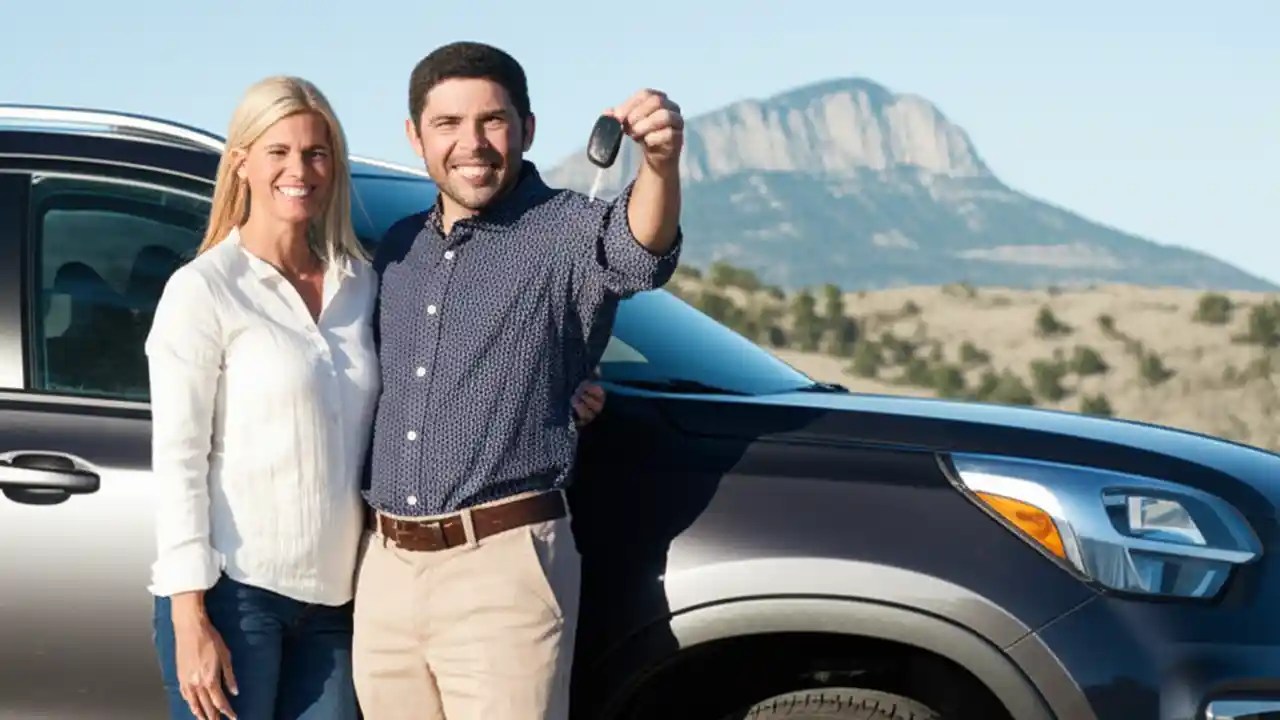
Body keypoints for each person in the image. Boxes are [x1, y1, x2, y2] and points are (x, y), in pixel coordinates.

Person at [144, 75, 607, 720]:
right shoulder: (205, 290)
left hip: (342, 600)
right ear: (241, 161)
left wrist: (561, 385)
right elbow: (179, 460)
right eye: (277, 151)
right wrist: (188, 612)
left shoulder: (364, 282)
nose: (298, 170)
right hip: (235, 596)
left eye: (316, 153)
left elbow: (442, 371)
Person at [351, 41, 683, 720]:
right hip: (383, 569)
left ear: (527, 128)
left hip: (500, 568)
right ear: (415, 136)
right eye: (447, 124)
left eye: (492, 121)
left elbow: (637, 252)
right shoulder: (397, 250)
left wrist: (660, 164)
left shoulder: (566, 230)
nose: (471, 144)